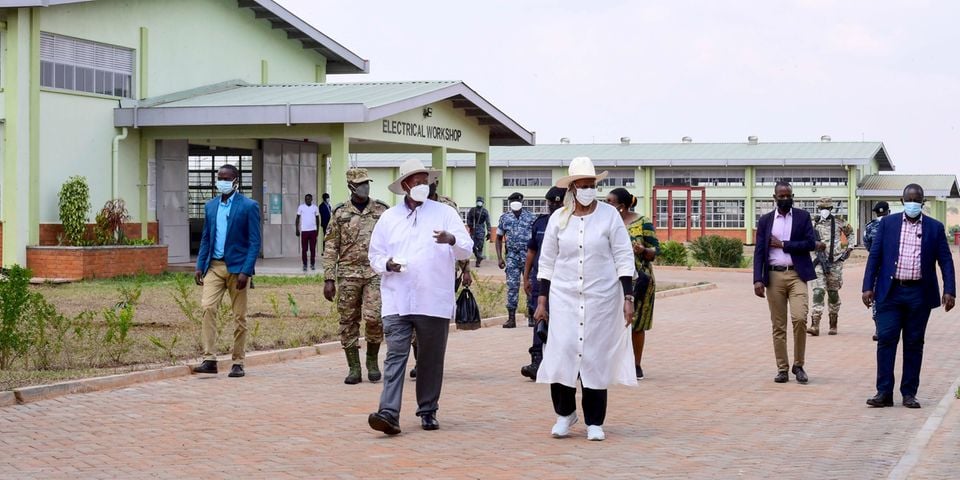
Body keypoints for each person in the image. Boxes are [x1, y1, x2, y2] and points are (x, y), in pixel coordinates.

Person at [367, 159, 473, 435]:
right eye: (417, 181)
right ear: (404, 186)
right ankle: (388, 413)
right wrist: (387, 264)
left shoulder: (445, 213)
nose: (423, 186)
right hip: (397, 297)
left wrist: (451, 240)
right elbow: (374, 255)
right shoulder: (388, 217)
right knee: (395, 356)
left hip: (432, 298)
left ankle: (428, 410)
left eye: (426, 181)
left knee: (430, 358)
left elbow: (466, 248)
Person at [534, 156, 637, 442]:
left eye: (593, 184)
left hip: (602, 298)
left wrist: (628, 296)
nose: (589, 189)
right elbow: (547, 262)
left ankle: (594, 421)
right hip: (564, 296)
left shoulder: (609, 216)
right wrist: (542, 302)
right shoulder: (559, 219)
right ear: (573, 188)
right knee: (563, 351)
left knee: (594, 356)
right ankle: (565, 414)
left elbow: (623, 256)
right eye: (584, 185)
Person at [862, 184, 955, 409]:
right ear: (902, 201)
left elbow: (945, 260)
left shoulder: (934, 228)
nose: (913, 203)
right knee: (886, 339)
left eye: (918, 199)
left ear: (922, 202)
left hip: (919, 294)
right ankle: (883, 392)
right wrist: (867, 287)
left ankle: (909, 393)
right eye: (909, 199)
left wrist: (949, 290)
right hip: (890, 292)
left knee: (914, 343)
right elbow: (875, 256)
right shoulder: (887, 224)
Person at [192, 164, 262, 378]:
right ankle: (209, 359)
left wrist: (246, 271)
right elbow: (206, 237)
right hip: (214, 266)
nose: (221, 181)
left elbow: (254, 241)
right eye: (219, 177)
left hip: (238, 269)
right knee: (207, 307)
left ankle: (238, 362)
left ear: (235, 181)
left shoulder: (249, 206)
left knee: (239, 316)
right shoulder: (211, 206)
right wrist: (200, 264)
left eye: (226, 178)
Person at [321, 168, 389, 385]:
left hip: (374, 272)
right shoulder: (340, 213)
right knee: (348, 320)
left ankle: (372, 360)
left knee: (374, 317)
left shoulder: (381, 210)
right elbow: (331, 246)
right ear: (351, 186)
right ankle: (354, 367)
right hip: (348, 273)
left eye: (367, 183)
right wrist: (329, 279)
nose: (365, 187)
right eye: (360, 184)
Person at [405, 181, 474, 379]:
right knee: (416, 316)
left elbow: (459, 240)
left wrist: (466, 269)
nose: (429, 185)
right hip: (416, 273)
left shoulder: (447, 207)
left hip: (443, 273)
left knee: (434, 319)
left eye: (431, 182)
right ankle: (420, 362)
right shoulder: (411, 207)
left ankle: (429, 362)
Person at [753, 181, 817, 384]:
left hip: (797, 274)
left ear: (792, 196)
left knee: (799, 318)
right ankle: (782, 368)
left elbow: (810, 243)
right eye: (780, 196)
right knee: (778, 326)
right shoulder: (765, 221)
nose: (784, 199)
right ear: (774, 198)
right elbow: (759, 251)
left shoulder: (802, 217)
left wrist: (784, 245)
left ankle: (799, 365)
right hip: (773, 277)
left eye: (787, 195)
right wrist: (757, 279)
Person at [607, 187, 659, 380]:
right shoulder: (605, 222)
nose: (606, 205)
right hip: (611, 278)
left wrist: (643, 250)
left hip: (640, 279)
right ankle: (613, 362)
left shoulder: (643, 222)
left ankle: (635, 364)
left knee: (637, 323)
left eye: (610, 202)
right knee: (611, 322)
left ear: (621, 206)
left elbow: (655, 251)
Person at [520, 186, 566, 380]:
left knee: (564, 320)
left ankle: (564, 362)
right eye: (551, 203)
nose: (554, 206)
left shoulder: (573, 223)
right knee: (540, 317)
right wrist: (526, 276)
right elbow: (532, 251)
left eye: (558, 202)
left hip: (564, 281)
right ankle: (537, 360)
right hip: (540, 279)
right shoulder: (539, 223)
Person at [807, 197, 855, 336]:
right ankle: (814, 324)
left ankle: (833, 323)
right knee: (818, 291)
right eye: (822, 208)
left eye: (826, 209)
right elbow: (805, 239)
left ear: (831, 209)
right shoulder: (812, 224)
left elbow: (850, 233)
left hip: (834, 263)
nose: (824, 211)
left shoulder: (839, 221)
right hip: (817, 263)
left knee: (833, 293)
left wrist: (849, 248)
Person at [497, 192, 536, 328]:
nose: (515, 202)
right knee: (512, 287)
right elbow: (498, 238)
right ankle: (511, 318)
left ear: (522, 201)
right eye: (512, 200)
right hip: (512, 256)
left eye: (517, 199)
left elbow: (536, 237)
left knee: (530, 285)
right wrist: (500, 258)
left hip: (528, 256)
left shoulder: (531, 217)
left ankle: (531, 316)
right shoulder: (505, 218)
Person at [862, 201, 890, 341]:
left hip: (876, 266)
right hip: (892, 266)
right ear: (888, 211)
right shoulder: (894, 224)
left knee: (875, 295)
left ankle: (879, 329)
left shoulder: (869, 226)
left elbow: (867, 244)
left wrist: (875, 254)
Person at [295, 194, 321, 272]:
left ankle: (312, 264)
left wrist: (318, 230)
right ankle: (305, 264)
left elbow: (317, 219)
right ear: (305, 199)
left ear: (311, 199)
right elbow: (297, 218)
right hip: (304, 231)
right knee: (304, 249)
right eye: (306, 199)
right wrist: (297, 229)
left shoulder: (315, 208)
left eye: (309, 199)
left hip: (313, 231)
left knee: (313, 249)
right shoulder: (301, 207)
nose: (307, 200)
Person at [466, 197, 492, 267]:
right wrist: (470, 224)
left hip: (481, 229)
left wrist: (489, 231)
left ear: (483, 202)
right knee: (472, 245)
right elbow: (468, 218)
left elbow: (488, 222)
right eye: (478, 201)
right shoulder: (472, 210)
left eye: (480, 201)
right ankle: (478, 256)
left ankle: (478, 262)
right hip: (473, 229)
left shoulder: (485, 211)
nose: (479, 202)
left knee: (480, 245)